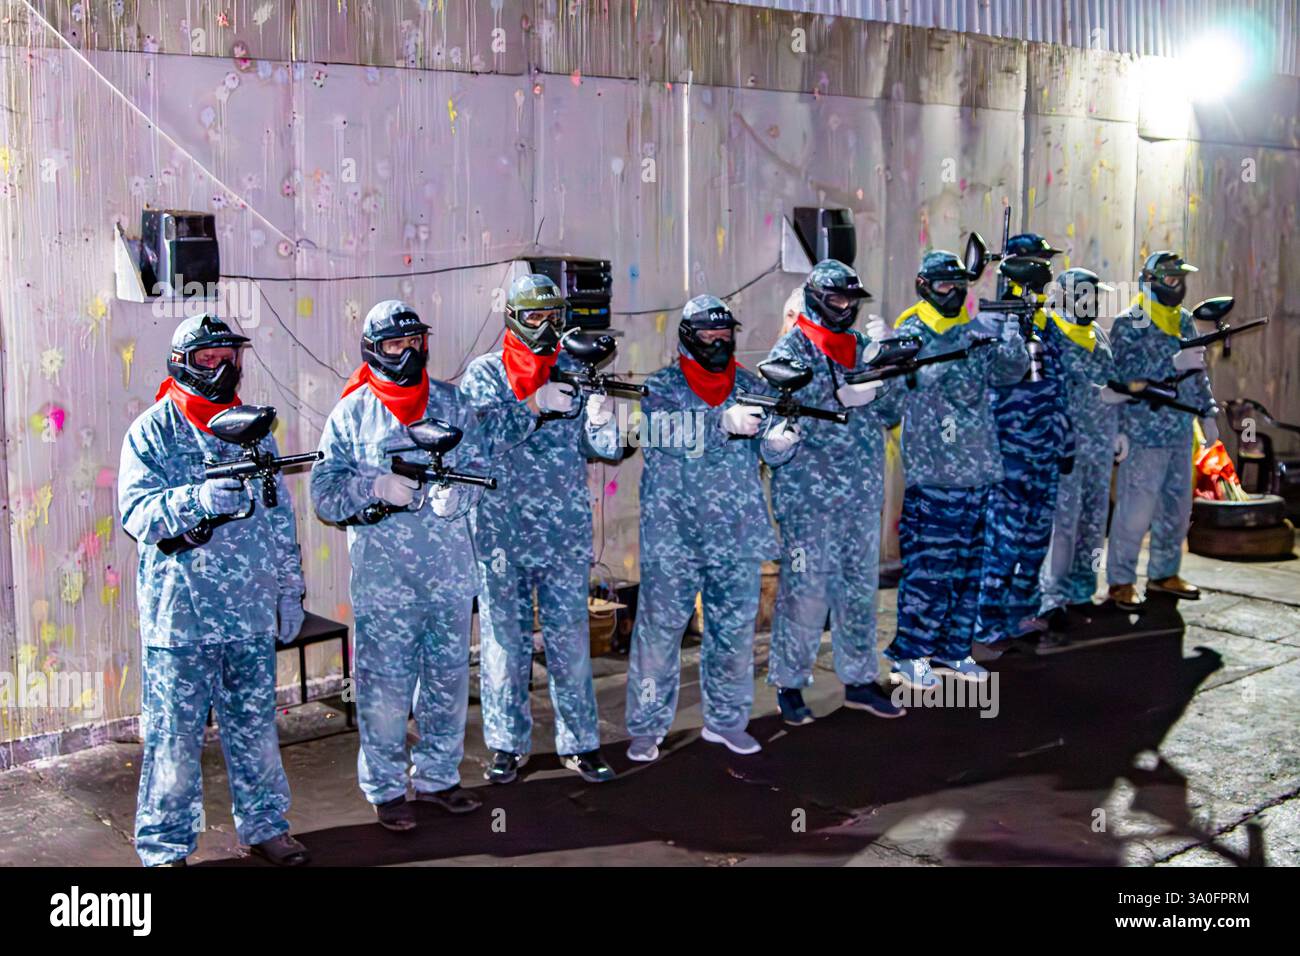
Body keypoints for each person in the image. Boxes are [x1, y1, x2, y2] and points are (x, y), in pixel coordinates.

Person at [118, 314, 309, 867]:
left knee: (255, 731)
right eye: (208, 358)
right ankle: (165, 848)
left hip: (248, 614)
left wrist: (289, 591)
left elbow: (279, 518)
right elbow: (137, 513)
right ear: (182, 363)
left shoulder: (253, 429)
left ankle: (266, 826)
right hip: (181, 620)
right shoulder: (153, 430)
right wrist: (198, 501)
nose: (223, 367)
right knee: (173, 742)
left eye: (230, 356)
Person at [311, 300, 485, 832]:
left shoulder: (455, 404)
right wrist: (375, 489)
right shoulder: (352, 413)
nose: (408, 355)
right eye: (394, 347)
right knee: (384, 689)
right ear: (372, 351)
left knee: (448, 681)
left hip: (450, 575)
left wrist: (461, 497)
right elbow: (323, 494)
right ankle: (386, 790)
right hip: (385, 583)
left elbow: (479, 463)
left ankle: (438, 778)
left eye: (415, 344)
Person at [460, 274, 620, 784]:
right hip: (500, 533)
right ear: (512, 317)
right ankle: (507, 745)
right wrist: (531, 407)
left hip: (563, 533)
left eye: (555, 318)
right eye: (535, 318)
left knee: (570, 640)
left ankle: (582, 743)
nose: (547, 329)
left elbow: (606, 451)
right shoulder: (485, 374)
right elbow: (474, 443)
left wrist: (602, 417)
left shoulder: (575, 368)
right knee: (505, 644)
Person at [625, 296, 793, 761]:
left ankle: (726, 722)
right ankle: (646, 728)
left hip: (735, 534)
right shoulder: (661, 386)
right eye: (708, 335)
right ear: (687, 336)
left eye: (725, 334)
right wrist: (722, 422)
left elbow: (771, 452)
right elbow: (658, 436)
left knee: (734, 635)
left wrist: (782, 440)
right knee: (659, 636)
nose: (718, 342)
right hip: (674, 537)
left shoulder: (750, 385)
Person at [764, 259, 905, 725]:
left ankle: (861, 680)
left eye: (850, 300)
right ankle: (789, 683)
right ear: (817, 299)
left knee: (859, 591)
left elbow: (889, 414)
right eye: (837, 299)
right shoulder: (792, 349)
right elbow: (779, 419)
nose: (845, 307)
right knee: (806, 593)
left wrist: (888, 371)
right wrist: (839, 396)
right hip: (810, 498)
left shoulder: (859, 346)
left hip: (861, 494)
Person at [884, 251, 1028, 689]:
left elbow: (1009, 374)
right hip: (936, 474)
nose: (954, 292)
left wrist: (1010, 335)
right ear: (924, 286)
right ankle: (911, 654)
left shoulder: (972, 331)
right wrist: (969, 338)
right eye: (944, 285)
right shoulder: (912, 331)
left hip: (979, 470)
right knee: (930, 571)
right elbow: (912, 382)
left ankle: (953, 649)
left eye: (959, 285)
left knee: (969, 572)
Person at [973, 234, 1075, 646]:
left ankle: (1022, 612)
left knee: (1035, 539)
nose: (1043, 269)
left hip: (1045, 450)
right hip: (1008, 450)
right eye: (1034, 261)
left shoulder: (1047, 322)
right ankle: (985, 620)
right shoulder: (992, 320)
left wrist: (1066, 442)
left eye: (1045, 262)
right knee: (1002, 541)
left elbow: (1060, 387)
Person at [1104, 251, 1216, 609]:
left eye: (1179, 279)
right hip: (1144, 430)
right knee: (1135, 511)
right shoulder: (1130, 321)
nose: (1176, 285)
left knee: (1176, 508)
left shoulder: (1183, 320)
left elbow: (1197, 369)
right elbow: (1123, 375)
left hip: (1181, 429)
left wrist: (1208, 412)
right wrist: (1170, 362)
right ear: (1150, 280)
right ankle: (1121, 580)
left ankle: (1165, 573)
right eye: (1169, 278)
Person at [1039, 269, 1122, 636]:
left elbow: (1114, 384)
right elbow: (1046, 389)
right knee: (1062, 526)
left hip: (1100, 447)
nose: (1092, 303)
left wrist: (1120, 431)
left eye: (1095, 296)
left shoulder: (1098, 335)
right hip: (1065, 448)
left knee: (1093, 523)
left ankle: (1081, 591)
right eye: (1084, 296)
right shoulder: (1050, 334)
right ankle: (1050, 599)